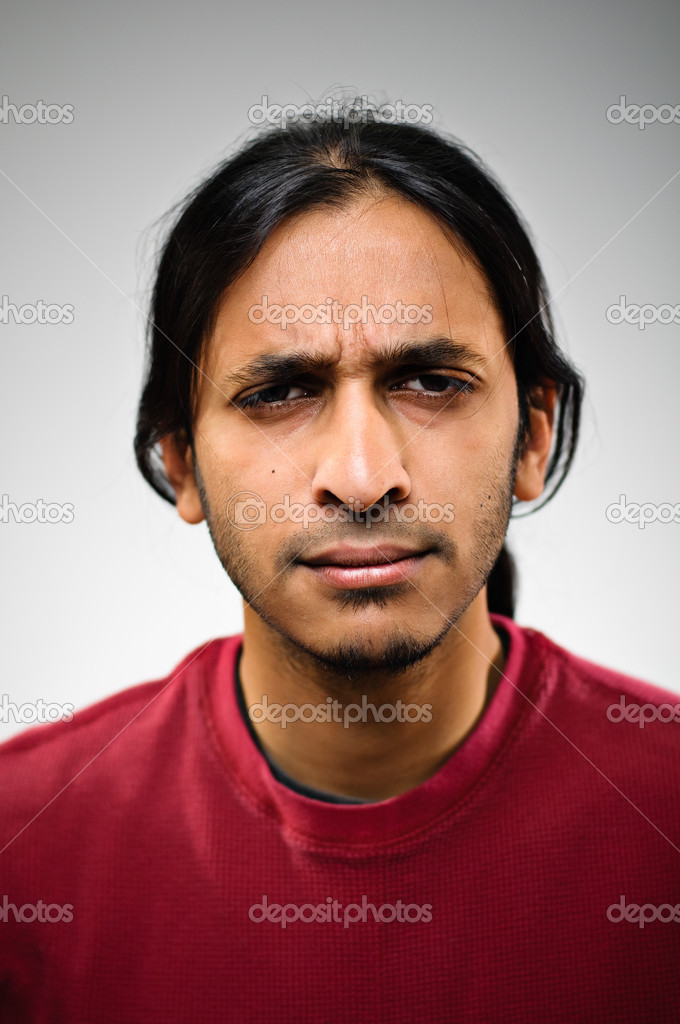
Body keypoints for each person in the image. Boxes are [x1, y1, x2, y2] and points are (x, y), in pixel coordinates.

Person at [1, 105, 678, 1022]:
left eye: (431, 381)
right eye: (280, 391)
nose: (363, 478)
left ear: (533, 434)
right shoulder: (25, 846)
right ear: (181, 459)